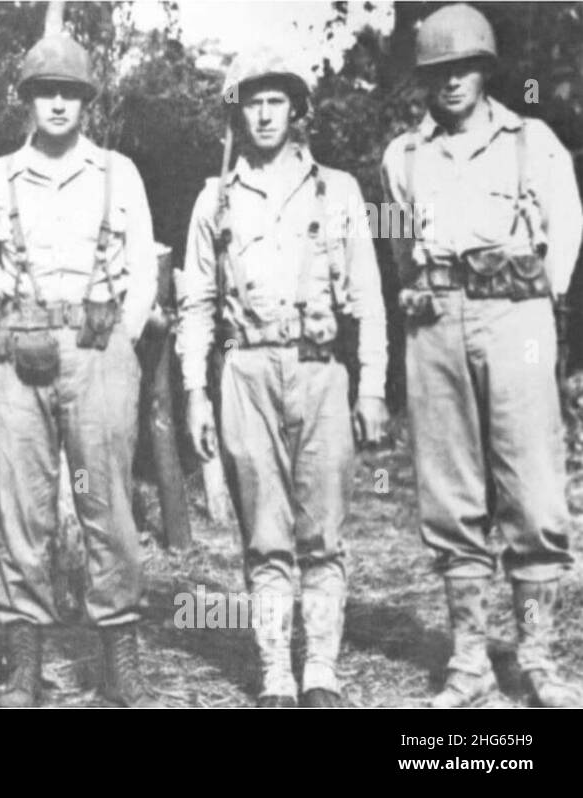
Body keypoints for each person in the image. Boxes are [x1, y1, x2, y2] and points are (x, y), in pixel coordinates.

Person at [380, 3, 582, 707]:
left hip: (516, 318)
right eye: (438, 71)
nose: (452, 82)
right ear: (424, 80)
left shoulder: (533, 140)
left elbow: (566, 231)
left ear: (485, 70)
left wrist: (534, 305)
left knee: (533, 488)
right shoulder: (402, 156)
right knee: (450, 491)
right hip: (436, 322)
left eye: (463, 67)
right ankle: (469, 662)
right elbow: (402, 247)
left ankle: (540, 658)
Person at [177, 48, 389, 707]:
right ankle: (275, 673)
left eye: (277, 101)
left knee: (321, 532)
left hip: (321, 370)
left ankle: (320, 669)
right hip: (245, 374)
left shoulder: (340, 189)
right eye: (252, 101)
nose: (265, 114)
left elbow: (369, 297)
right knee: (265, 533)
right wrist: (195, 392)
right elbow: (199, 304)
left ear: (296, 110)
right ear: (236, 112)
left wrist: (373, 385)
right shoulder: (215, 199)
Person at [0, 33, 164, 707]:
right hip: (21, 351)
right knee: (21, 505)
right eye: (45, 92)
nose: (57, 104)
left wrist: (123, 340)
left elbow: (144, 268)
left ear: (86, 101)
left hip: (98, 346)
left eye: (70, 93)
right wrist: (11, 319)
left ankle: (120, 663)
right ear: (28, 100)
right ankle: (26, 665)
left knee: (106, 500)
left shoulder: (117, 172)